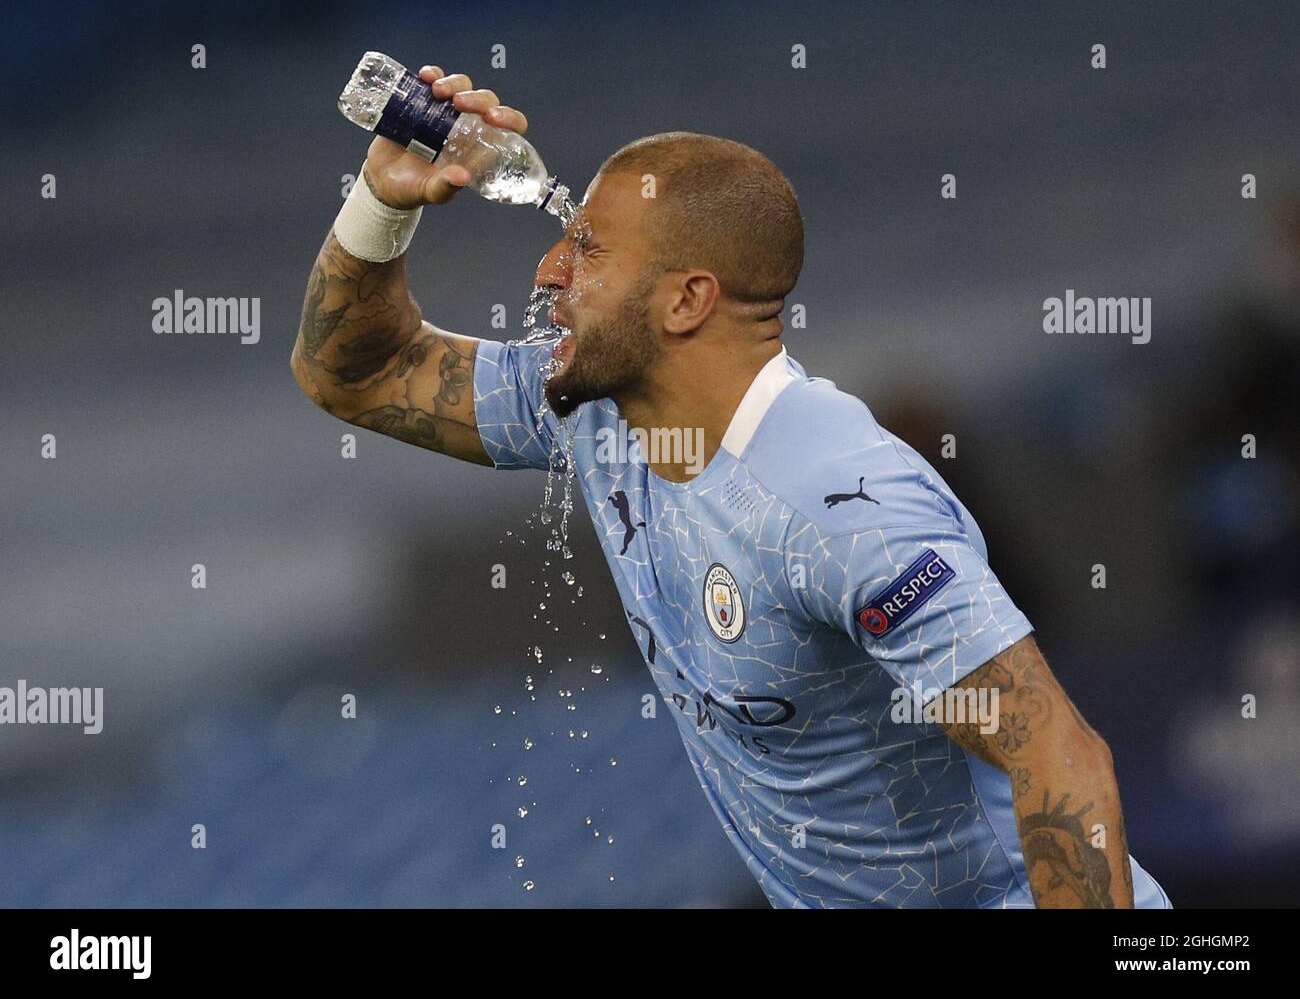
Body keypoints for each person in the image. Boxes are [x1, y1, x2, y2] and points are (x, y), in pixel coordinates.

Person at [290, 63, 1171, 909]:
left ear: (686, 302)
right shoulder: (596, 410)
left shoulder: (843, 505)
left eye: (588, 248)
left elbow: (1057, 756)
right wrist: (382, 200)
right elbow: (354, 373)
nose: (549, 270)